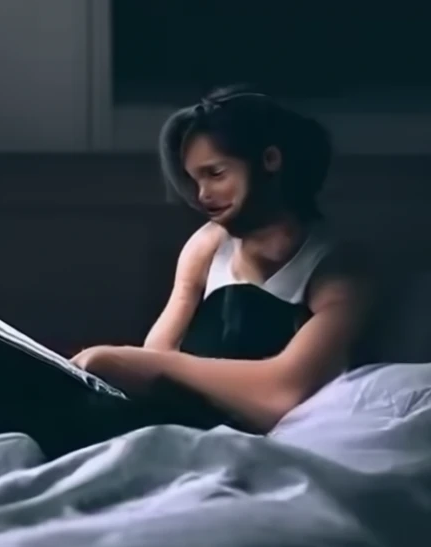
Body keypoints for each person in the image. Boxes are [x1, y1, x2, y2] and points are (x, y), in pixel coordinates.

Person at [71, 84, 374, 435]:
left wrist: (129, 361)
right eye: (194, 179)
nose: (203, 195)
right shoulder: (207, 246)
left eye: (216, 174)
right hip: (179, 422)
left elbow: (284, 392)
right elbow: (157, 356)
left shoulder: (337, 267)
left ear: (270, 160)